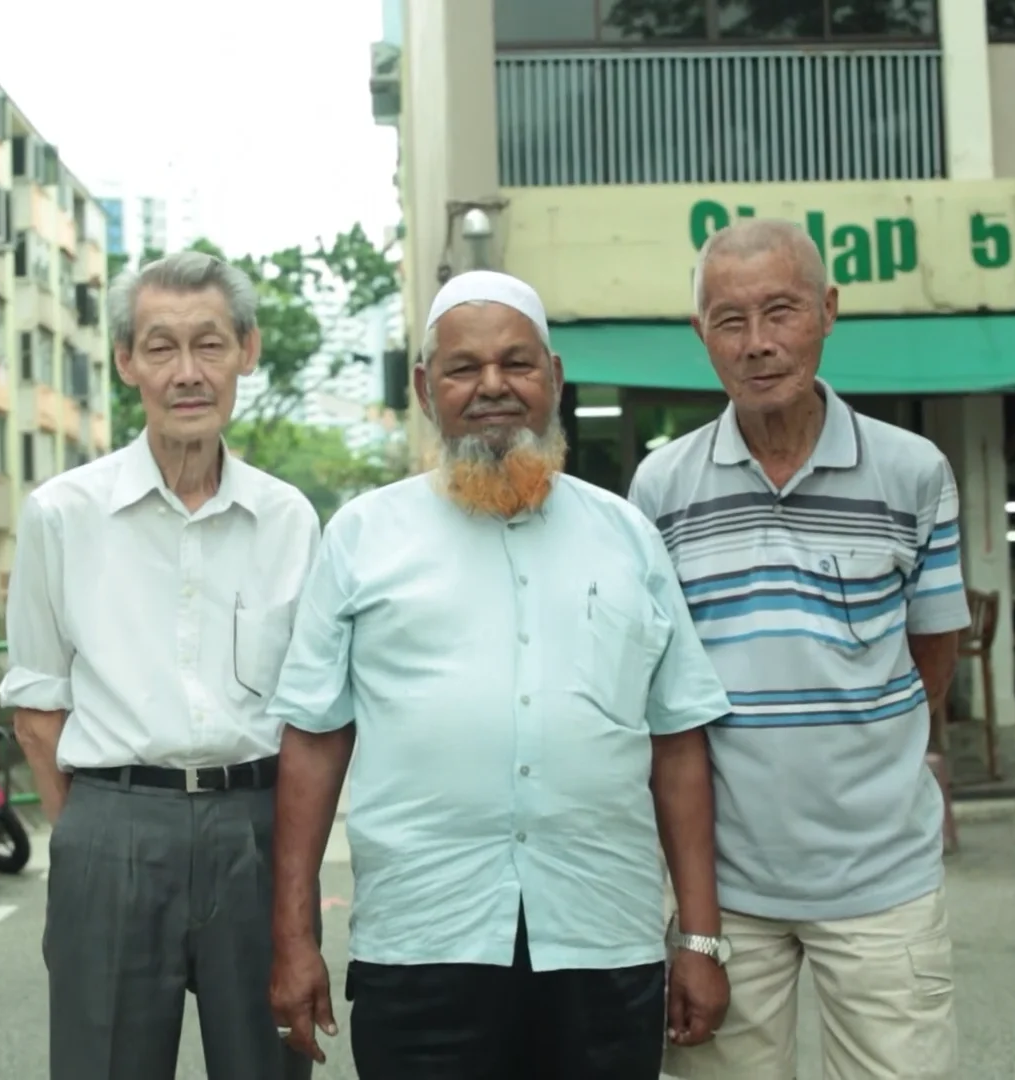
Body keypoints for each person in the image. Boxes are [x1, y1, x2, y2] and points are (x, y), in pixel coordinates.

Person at [265, 270, 736, 1080]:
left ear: (553, 378)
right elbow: (312, 744)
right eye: (463, 368)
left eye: (517, 365)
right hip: (422, 942)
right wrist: (294, 940)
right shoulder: (362, 537)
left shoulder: (626, 538)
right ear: (424, 387)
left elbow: (677, 742)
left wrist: (698, 937)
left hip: (602, 942)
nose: (492, 388)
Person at [629, 218, 970, 1080]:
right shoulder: (661, 490)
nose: (759, 344)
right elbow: (662, 698)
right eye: (730, 320)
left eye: (780, 312)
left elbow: (933, 652)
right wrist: (692, 919)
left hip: (883, 878)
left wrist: (869, 741)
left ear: (827, 311)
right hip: (727, 892)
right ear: (700, 334)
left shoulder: (913, 472)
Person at [0, 250, 322, 1080]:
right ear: (125, 362)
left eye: (209, 345)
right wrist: (92, 836)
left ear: (246, 351)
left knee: (266, 1067)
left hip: (254, 828)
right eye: (161, 347)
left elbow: (306, 713)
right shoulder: (61, 515)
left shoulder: (289, 520)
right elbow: (38, 710)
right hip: (110, 824)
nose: (187, 372)